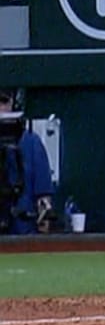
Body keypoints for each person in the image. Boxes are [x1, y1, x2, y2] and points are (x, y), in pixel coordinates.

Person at [0, 90, 53, 236]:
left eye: (3, 102)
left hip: (23, 229)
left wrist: (44, 214)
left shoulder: (31, 142)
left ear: (13, 104)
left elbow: (43, 194)